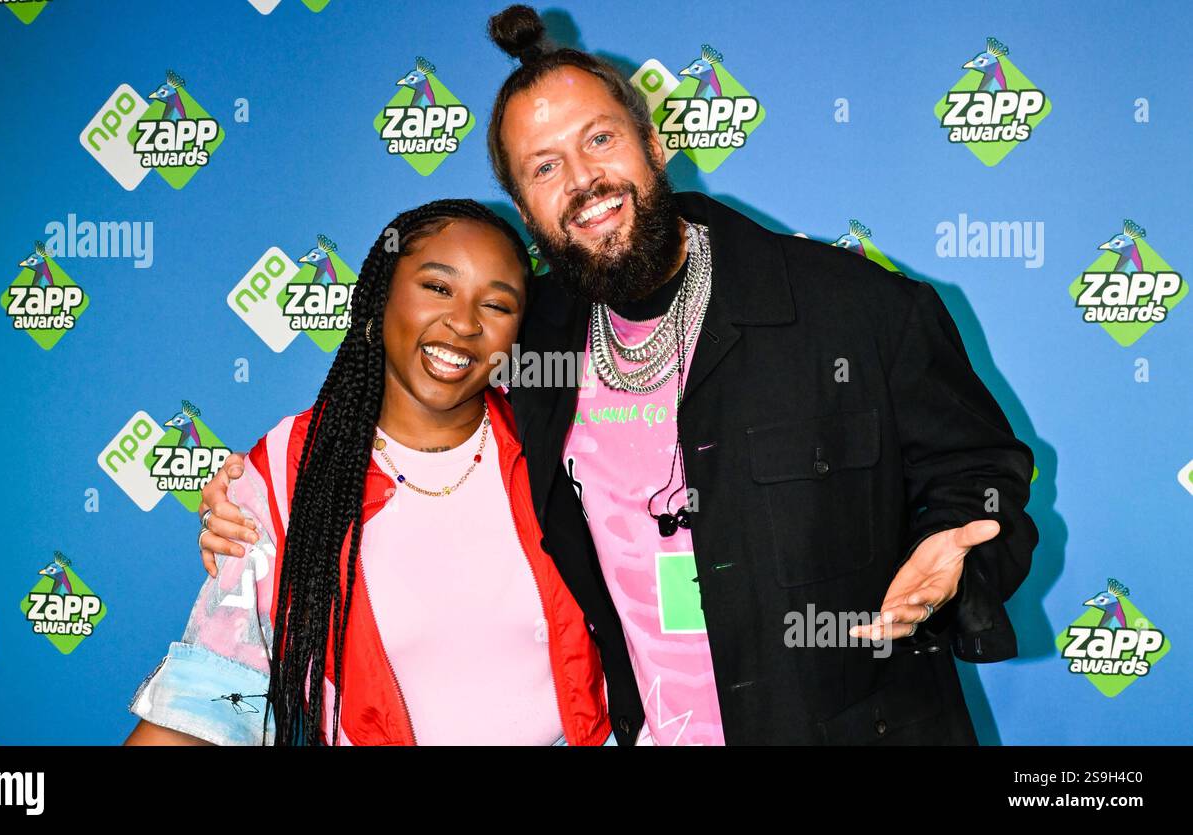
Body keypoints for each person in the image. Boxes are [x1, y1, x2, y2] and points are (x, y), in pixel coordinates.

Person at [199, 6, 1039, 745]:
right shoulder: (533, 342)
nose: (584, 181)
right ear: (526, 209)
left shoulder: (855, 307)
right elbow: (422, 421)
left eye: (598, 139)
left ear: (654, 141)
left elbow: (982, 477)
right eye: (544, 167)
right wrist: (258, 501)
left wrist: (958, 550)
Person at [126, 199, 611, 745]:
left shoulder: (561, 444)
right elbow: (210, 698)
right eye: (437, 287)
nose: (464, 323)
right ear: (380, 295)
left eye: (497, 305)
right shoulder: (291, 472)